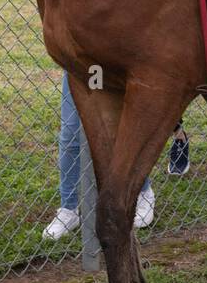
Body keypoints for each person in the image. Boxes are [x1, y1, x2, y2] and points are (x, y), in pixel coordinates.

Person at [44, 76, 155, 239]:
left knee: (118, 129)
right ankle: (69, 209)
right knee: (71, 135)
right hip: (79, 62)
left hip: (112, 62)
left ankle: (142, 192)